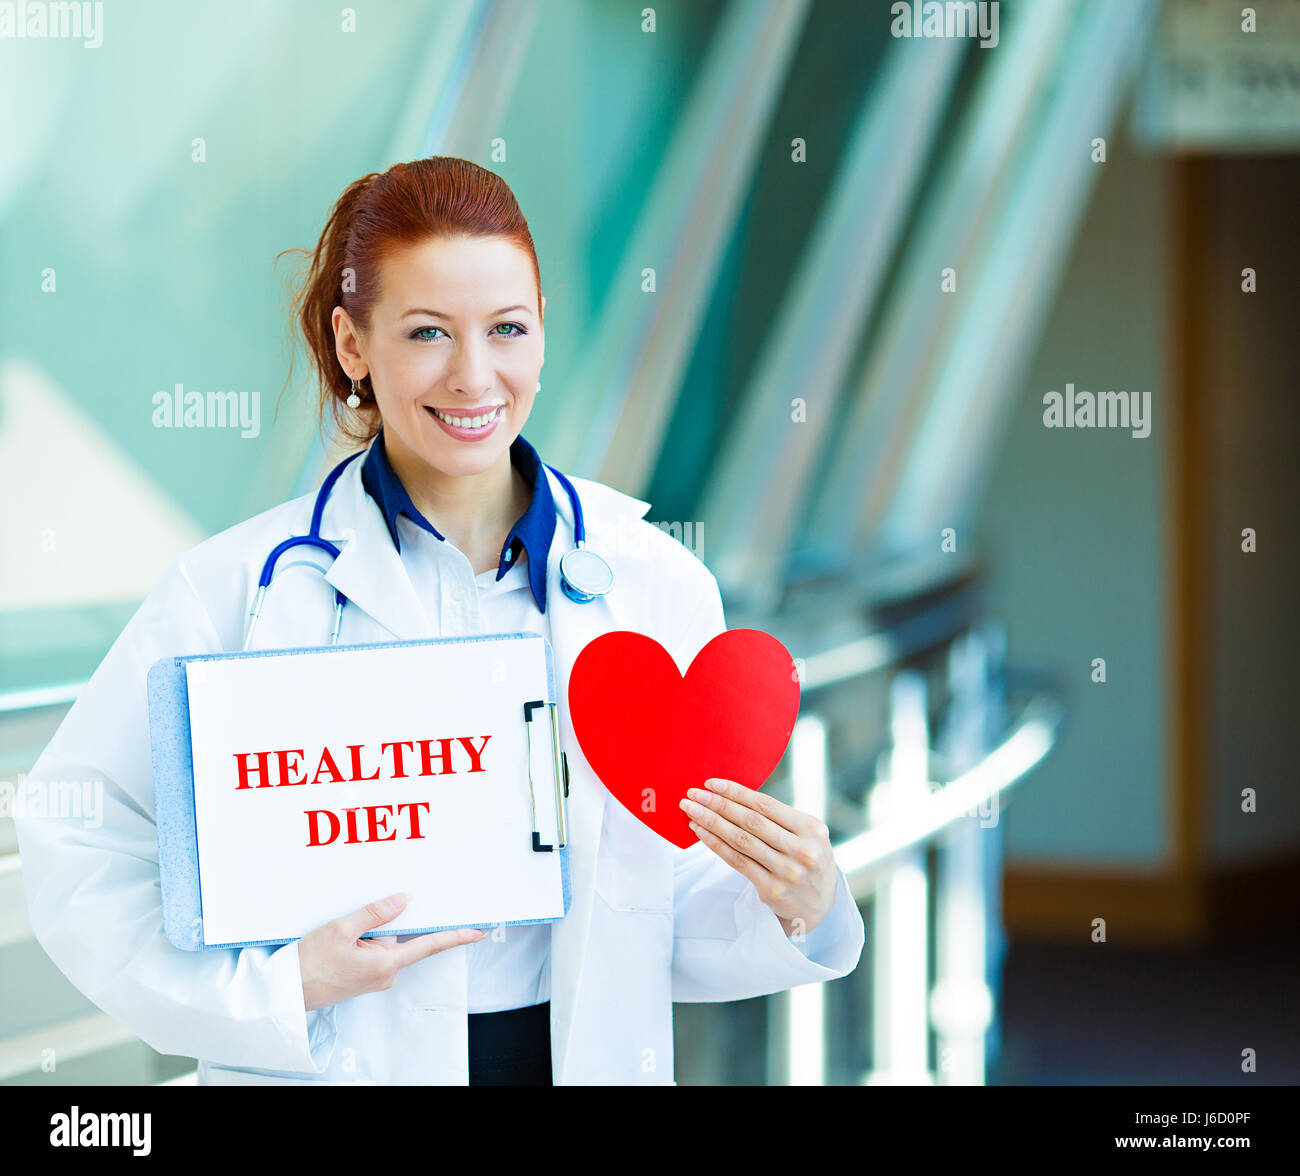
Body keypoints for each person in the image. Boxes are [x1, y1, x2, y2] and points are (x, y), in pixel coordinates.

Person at [15, 156, 864, 1086]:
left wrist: (801, 903)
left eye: (507, 328)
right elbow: (79, 837)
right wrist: (275, 987)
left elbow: (663, 893)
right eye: (427, 333)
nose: (474, 376)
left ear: (542, 334)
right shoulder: (237, 592)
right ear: (352, 345)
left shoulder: (652, 585)